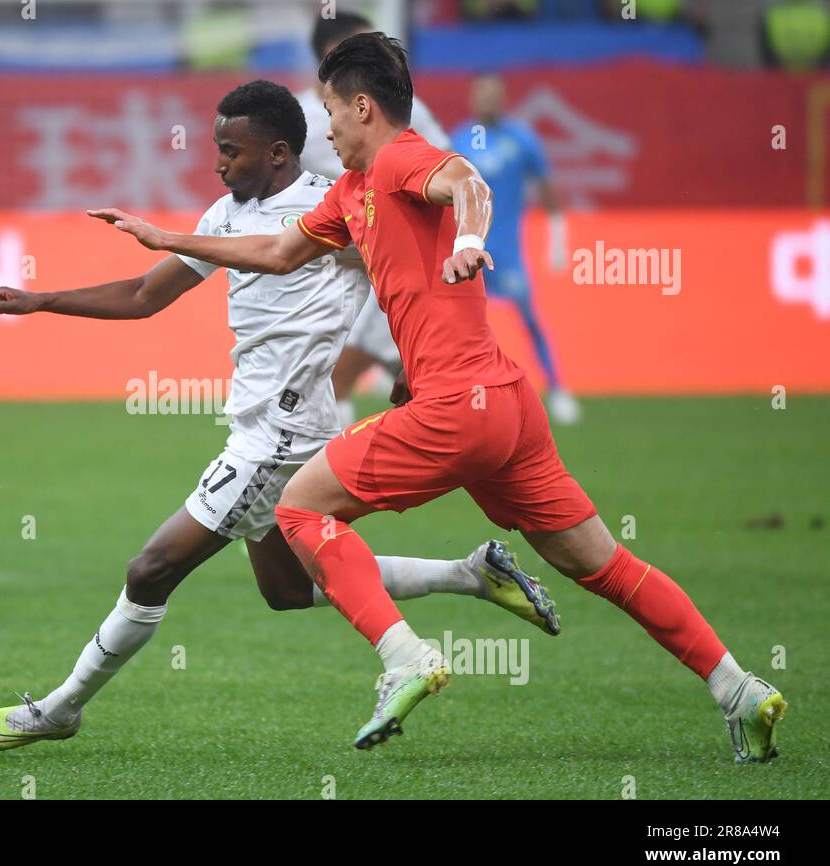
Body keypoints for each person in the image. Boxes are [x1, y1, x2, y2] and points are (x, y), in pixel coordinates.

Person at [88, 35, 787, 762]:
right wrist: (165, 236)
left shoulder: (398, 160)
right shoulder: (351, 192)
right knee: (604, 564)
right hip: (508, 406)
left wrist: (470, 238)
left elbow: (467, 184)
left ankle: (406, 659)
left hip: (457, 407)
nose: (324, 127)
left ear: (363, 107)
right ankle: (739, 687)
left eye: (330, 110)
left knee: (298, 507)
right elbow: (277, 251)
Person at [0, 80, 557, 750]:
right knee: (287, 587)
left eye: (229, 151)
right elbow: (142, 294)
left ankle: (59, 709)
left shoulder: (333, 213)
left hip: (280, 434)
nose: (217, 162)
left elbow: (401, 282)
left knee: (150, 568)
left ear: (276, 153)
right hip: (277, 430)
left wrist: (416, 369)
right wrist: (37, 300)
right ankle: (472, 572)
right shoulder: (223, 214)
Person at [297, 9, 452, 427]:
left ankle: (338, 476)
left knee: (338, 377)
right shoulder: (297, 121)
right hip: (337, 272)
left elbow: (446, 166)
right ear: (336, 51)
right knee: (420, 390)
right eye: (370, 44)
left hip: (399, 271)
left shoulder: (399, 110)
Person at [452, 74, 579, 424]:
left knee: (529, 318)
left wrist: (558, 238)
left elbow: (547, 188)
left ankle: (557, 388)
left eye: (494, 95)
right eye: (482, 95)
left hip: (507, 253)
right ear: (473, 99)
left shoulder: (522, 139)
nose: (488, 101)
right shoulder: (459, 141)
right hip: (468, 250)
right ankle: (460, 394)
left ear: (504, 98)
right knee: (458, 326)